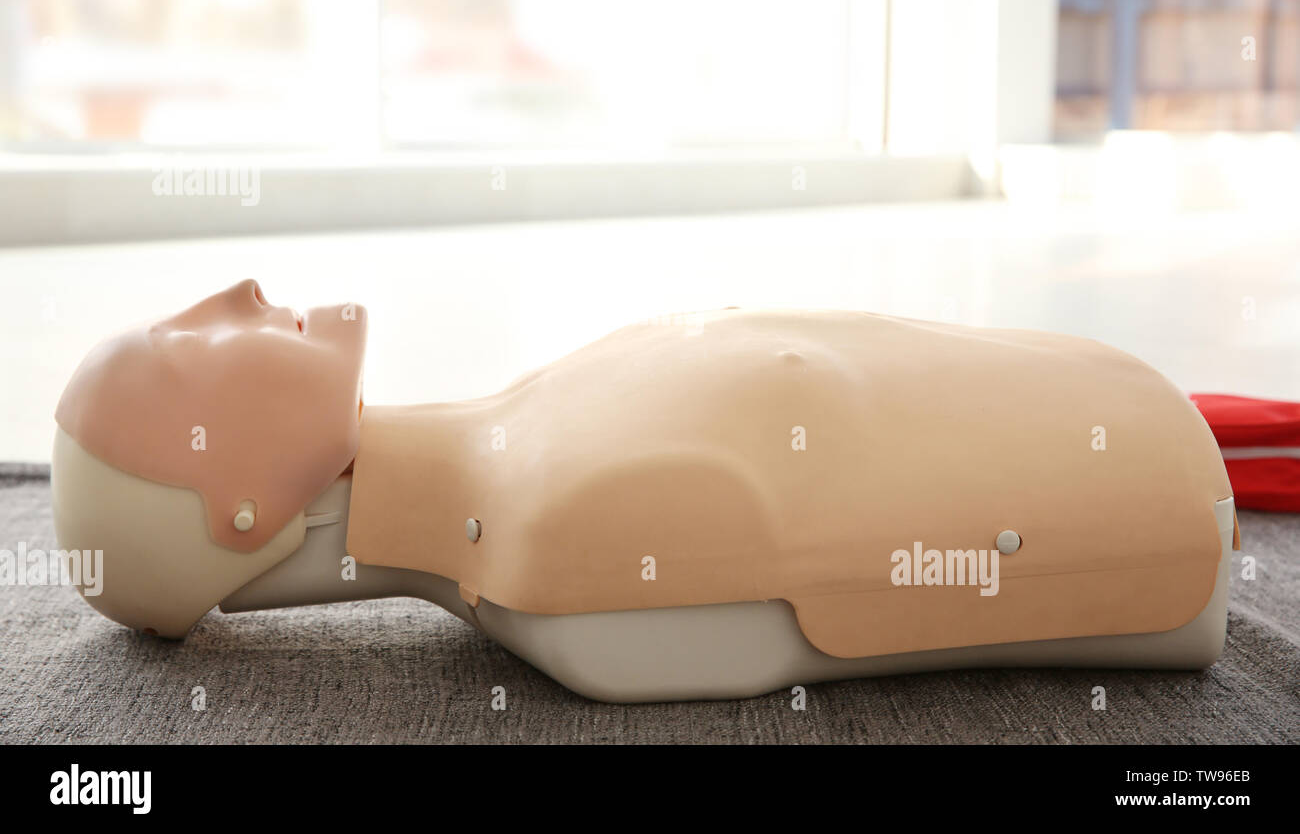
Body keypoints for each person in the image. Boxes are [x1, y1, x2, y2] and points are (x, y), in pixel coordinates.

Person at [51, 280, 1238, 702]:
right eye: (183, 347)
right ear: (238, 515)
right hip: (1154, 460)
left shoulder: (535, 462)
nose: (236, 291)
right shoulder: (556, 540)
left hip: (1127, 414)